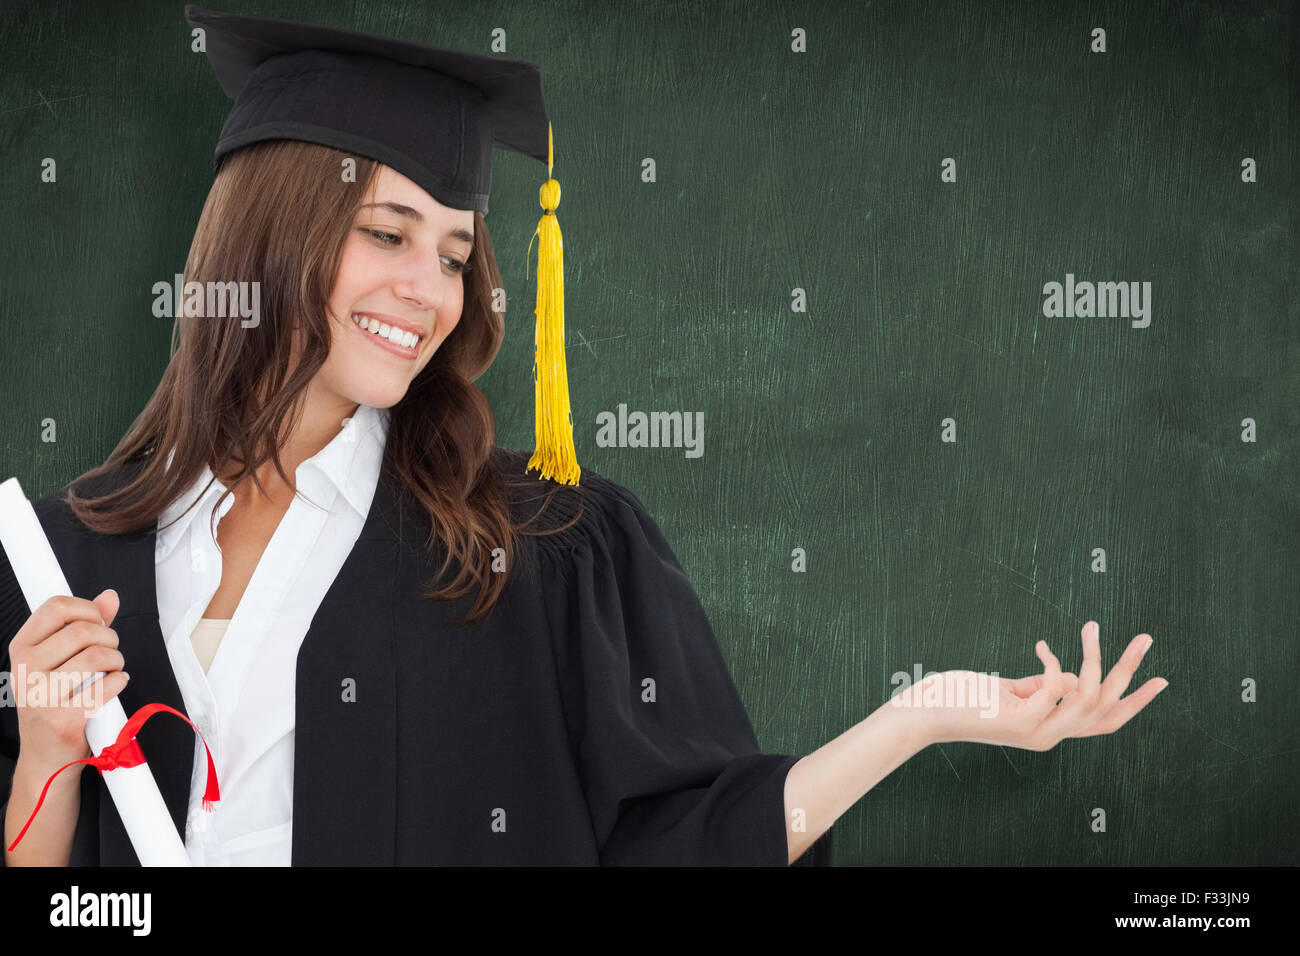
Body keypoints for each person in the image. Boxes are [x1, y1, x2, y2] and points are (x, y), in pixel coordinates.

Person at [0, 6, 1168, 867]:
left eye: (454, 252)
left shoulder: (533, 549)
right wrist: (48, 746)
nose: (428, 288)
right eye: (387, 233)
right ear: (269, 235)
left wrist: (923, 714)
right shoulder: (70, 559)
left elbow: (686, 840)